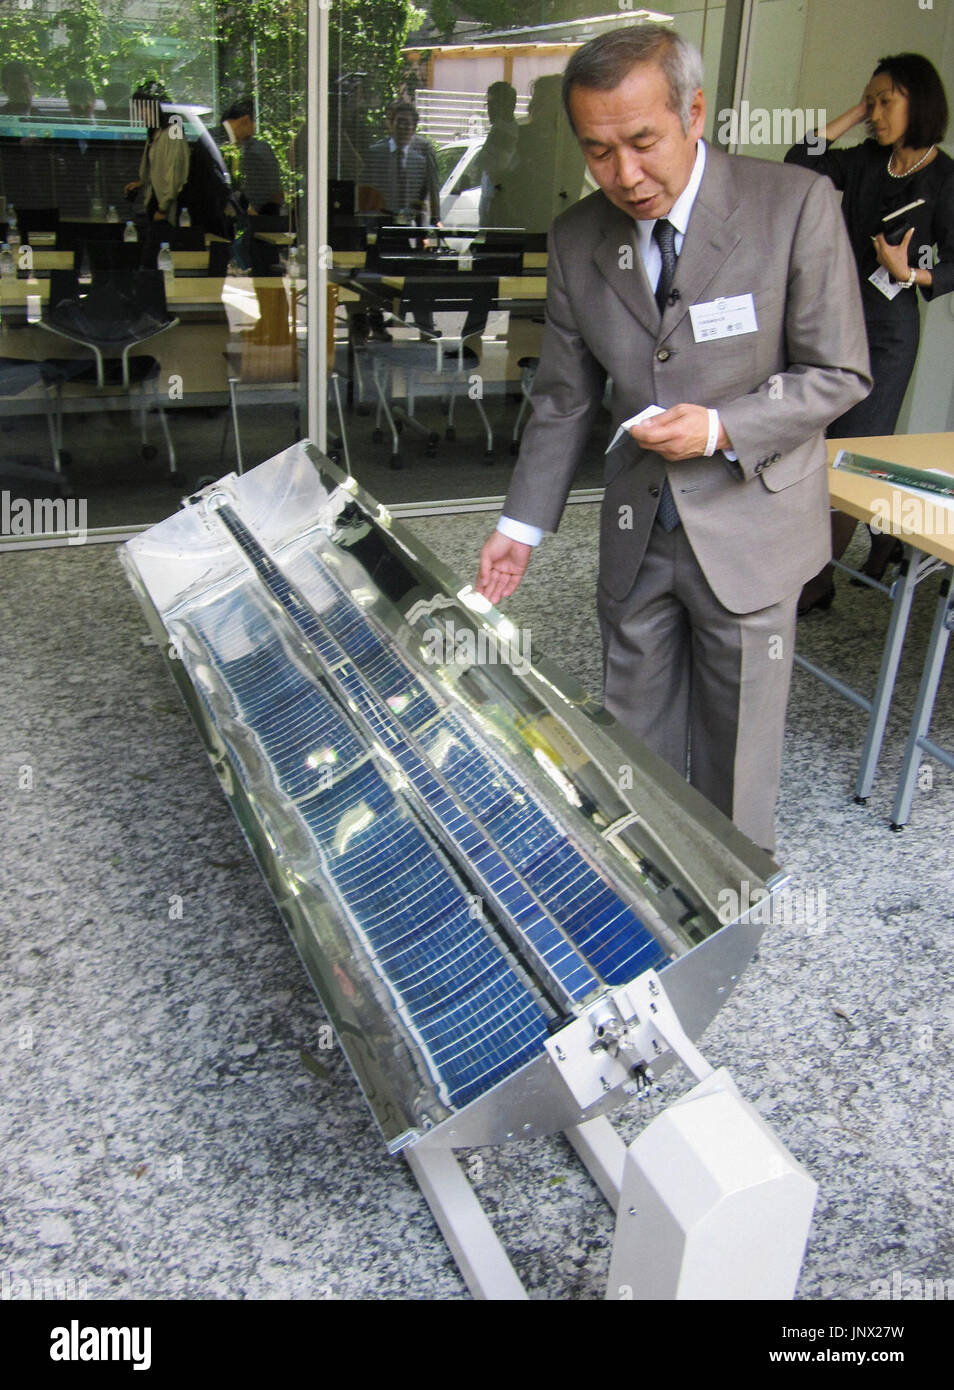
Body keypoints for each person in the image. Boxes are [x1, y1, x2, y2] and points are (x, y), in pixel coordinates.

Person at [476, 24, 871, 854]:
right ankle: (651, 889)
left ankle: (729, 903)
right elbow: (561, 398)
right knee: (631, 726)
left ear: (695, 113)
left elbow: (839, 374)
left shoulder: (794, 206)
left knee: (737, 746)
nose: (624, 175)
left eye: (643, 142)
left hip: (750, 527)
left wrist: (724, 427)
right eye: (597, 151)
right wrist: (519, 528)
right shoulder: (578, 236)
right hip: (638, 526)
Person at [786, 54, 954, 609]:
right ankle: (886, 538)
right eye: (871, 101)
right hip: (836, 316)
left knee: (849, 450)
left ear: (919, 102)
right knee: (820, 438)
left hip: (888, 331)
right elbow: (798, 163)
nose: (876, 113)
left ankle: (815, 583)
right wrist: (853, 112)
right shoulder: (865, 160)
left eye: (886, 102)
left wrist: (915, 274)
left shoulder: (944, 176)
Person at [360, 101, 441, 224]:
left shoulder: (420, 161)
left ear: (413, 129)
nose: (402, 127)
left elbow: (427, 193)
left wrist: (433, 220)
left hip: (409, 230)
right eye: (399, 122)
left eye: (407, 123)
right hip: (379, 227)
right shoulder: (374, 155)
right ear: (391, 124)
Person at [124, 81, 190, 224]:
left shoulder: (174, 130)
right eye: (139, 109)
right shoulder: (154, 132)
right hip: (154, 200)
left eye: (145, 108)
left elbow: (174, 173)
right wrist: (142, 182)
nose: (141, 113)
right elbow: (156, 168)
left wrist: (162, 209)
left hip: (166, 209)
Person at [221, 99, 284, 215]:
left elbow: (263, 187)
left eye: (232, 128)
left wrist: (253, 208)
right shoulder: (260, 147)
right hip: (269, 207)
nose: (231, 134)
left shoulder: (253, 152)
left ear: (244, 122)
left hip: (263, 210)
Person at [477, 81, 519, 226]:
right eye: (487, 104)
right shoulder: (500, 130)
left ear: (506, 105)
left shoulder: (503, 133)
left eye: (492, 104)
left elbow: (484, 164)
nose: (489, 109)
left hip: (497, 206)